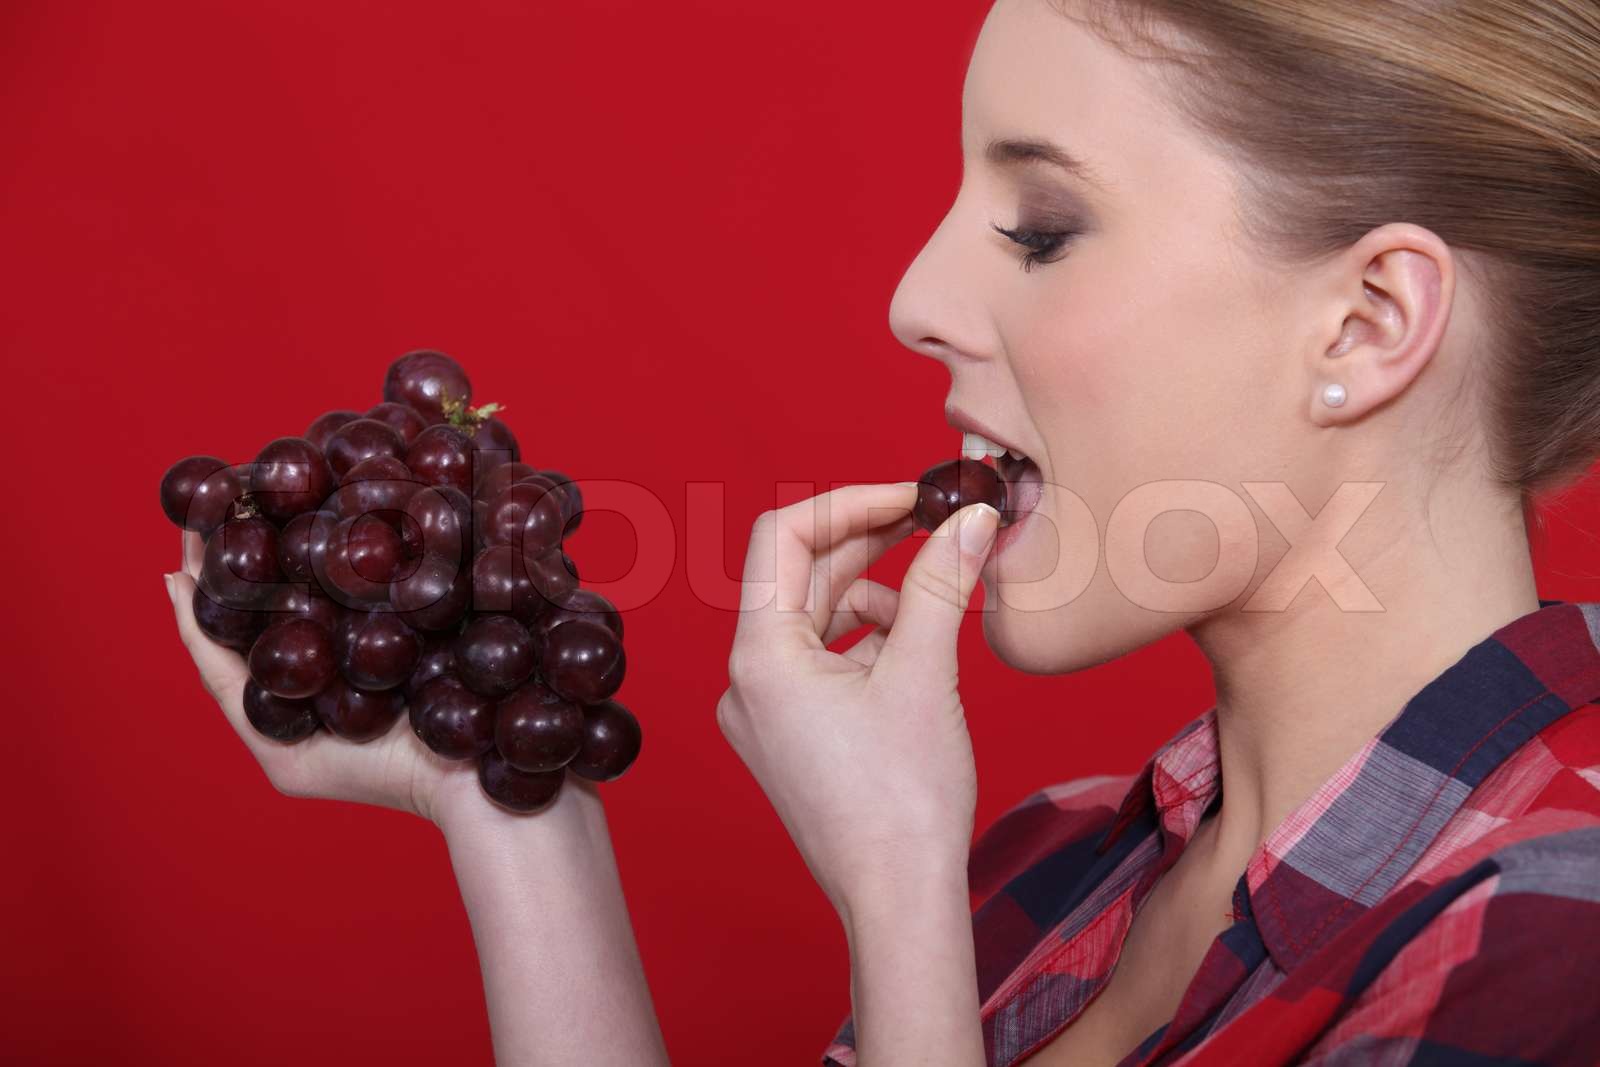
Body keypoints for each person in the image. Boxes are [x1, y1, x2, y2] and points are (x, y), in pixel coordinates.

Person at [165, 0, 1600, 1064]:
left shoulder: (1556, 939)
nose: (914, 297)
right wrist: (509, 806)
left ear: (1367, 324)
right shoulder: (1050, 872)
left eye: (1041, 226)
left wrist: (897, 903)